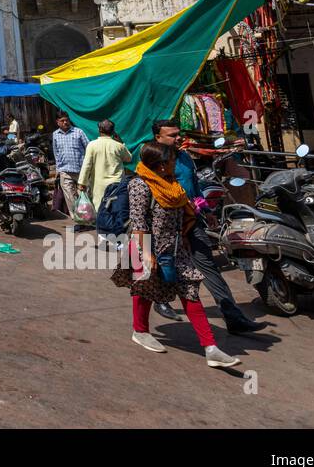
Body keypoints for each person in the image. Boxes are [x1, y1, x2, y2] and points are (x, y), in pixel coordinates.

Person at [110, 141, 241, 368]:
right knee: (144, 289)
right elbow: (139, 222)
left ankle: (211, 348)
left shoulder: (172, 186)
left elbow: (183, 214)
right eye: (171, 161)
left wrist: (188, 236)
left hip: (175, 249)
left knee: (190, 291)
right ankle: (140, 331)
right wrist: (148, 255)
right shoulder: (140, 185)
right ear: (161, 166)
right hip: (145, 247)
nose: (175, 164)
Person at [151, 119, 265, 334]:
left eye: (178, 134)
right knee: (166, 265)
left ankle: (233, 317)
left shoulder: (184, 157)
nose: (177, 139)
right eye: (171, 135)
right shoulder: (154, 161)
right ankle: (159, 299)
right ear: (158, 137)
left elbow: (195, 188)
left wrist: (207, 211)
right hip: (167, 225)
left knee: (208, 267)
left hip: (193, 222)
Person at [78, 119, 133, 211]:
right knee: (116, 208)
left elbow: (86, 165)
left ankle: (101, 225)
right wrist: (121, 142)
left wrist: (82, 182)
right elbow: (128, 158)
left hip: (98, 184)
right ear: (113, 131)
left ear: (99, 130)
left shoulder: (92, 145)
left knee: (99, 209)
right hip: (117, 183)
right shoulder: (118, 146)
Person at [50, 112, 89, 217]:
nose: (65, 122)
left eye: (67, 120)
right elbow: (56, 153)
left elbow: (88, 148)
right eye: (62, 121)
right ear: (57, 122)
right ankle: (77, 219)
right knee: (70, 197)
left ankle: (87, 217)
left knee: (84, 195)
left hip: (81, 170)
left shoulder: (78, 132)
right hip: (65, 171)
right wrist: (58, 170)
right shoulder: (55, 135)